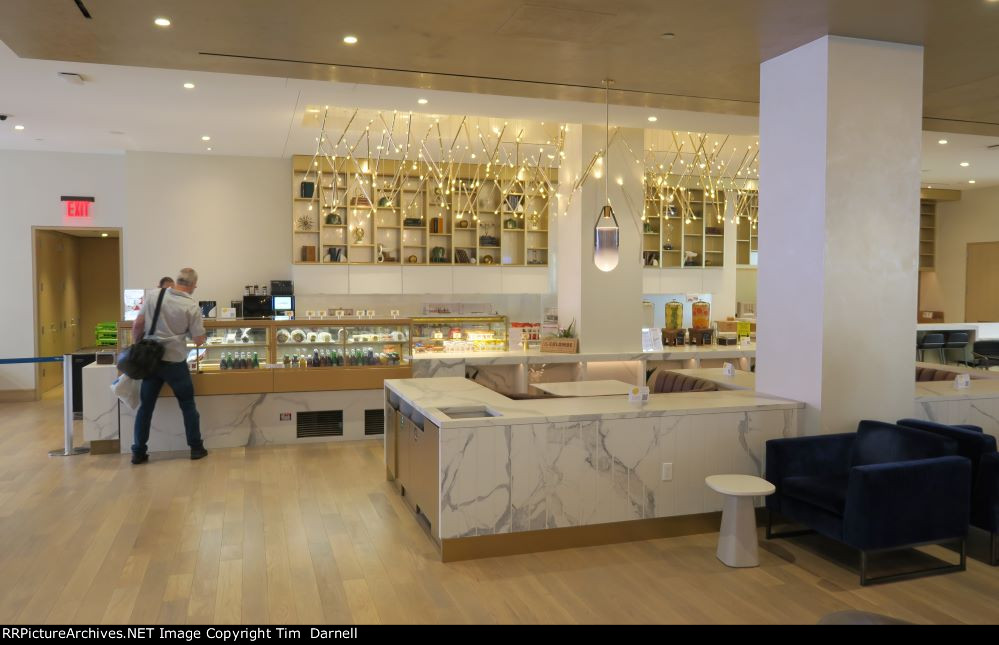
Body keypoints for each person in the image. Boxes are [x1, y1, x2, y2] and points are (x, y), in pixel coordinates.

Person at [130, 268, 208, 464]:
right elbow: (199, 340)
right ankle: (196, 448)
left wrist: (137, 345)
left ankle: (138, 452)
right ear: (193, 285)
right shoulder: (191, 306)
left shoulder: (154, 295)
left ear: (177, 280)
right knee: (188, 405)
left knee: (145, 408)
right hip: (174, 361)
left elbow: (137, 325)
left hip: (151, 360)